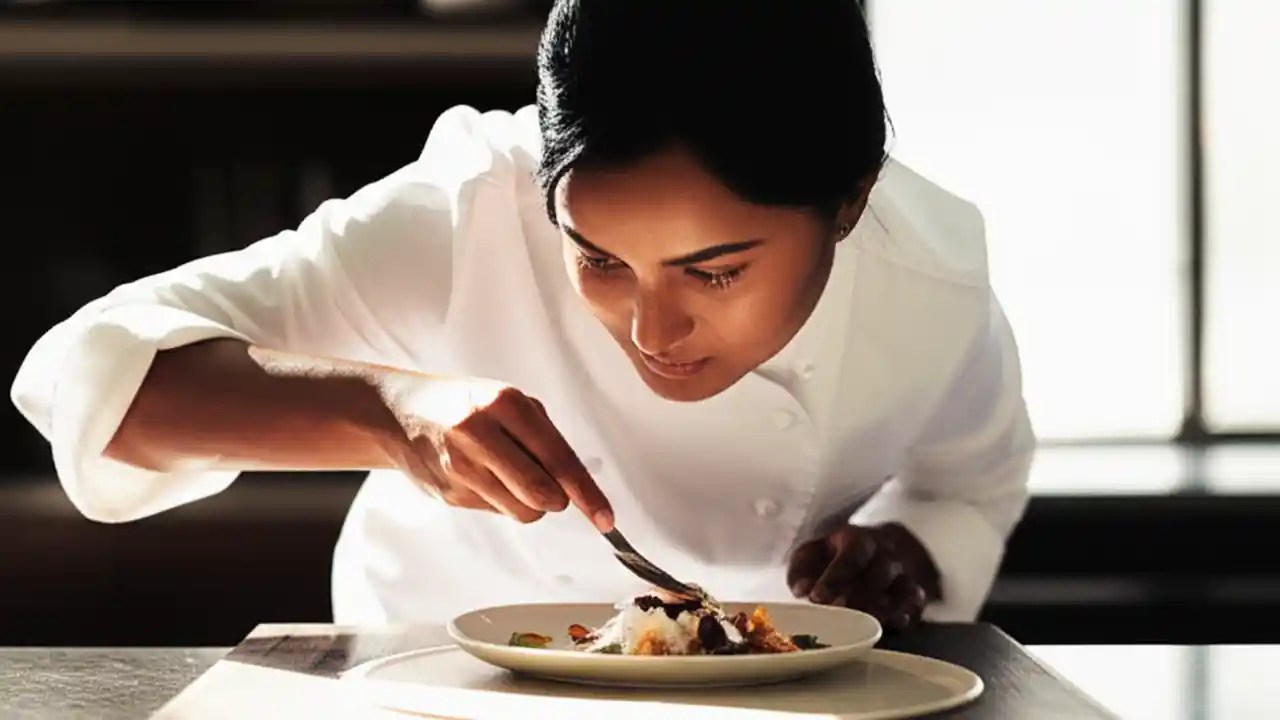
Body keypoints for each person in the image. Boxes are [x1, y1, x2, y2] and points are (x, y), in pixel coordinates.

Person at [10, 0, 1034, 633]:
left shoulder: (931, 277)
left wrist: (900, 556)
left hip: (782, 700)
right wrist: (391, 413)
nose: (648, 332)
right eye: (596, 259)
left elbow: (967, 486)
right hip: (428, 685)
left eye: (713, 273)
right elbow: (80, 378)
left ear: (847, 202)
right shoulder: (470, 214)